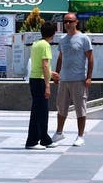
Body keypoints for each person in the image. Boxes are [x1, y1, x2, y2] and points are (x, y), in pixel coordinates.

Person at [52, 12, 93, 146]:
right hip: (64, 79)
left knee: (80, 108)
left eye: (70, 21)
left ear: (76, 22)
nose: (68, 24)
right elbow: (60, 57)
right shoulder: (63, 39)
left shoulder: (83, 38)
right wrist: (56, 74)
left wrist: (89, 77)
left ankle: (80, 135)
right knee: (61, 107)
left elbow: (90, 58)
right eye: (65, 22)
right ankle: (59, 133)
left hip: (79, 79)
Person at [25, 21, 58, 149]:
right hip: (40, 81)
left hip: (34, 79)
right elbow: (44, 65)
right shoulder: (45, 45)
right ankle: (32, 141)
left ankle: (45, 139)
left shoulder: (36, 44)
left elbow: (40, 65)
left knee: (42, 111)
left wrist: (52, 73)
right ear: (53, 34)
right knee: (39, 112)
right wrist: (48, 85)